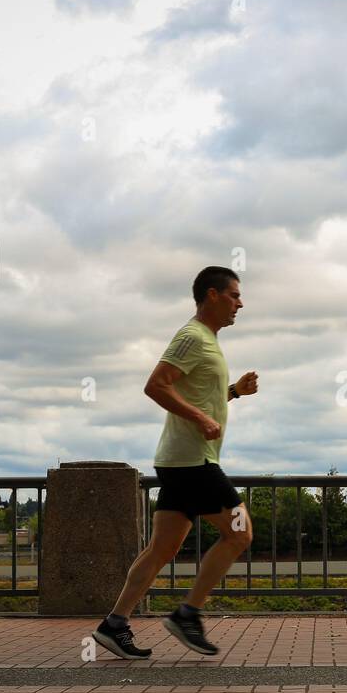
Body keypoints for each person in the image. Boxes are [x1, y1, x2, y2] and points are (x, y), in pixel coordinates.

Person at [92, 266, 257, 659]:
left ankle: (114, 625)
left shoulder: (208, 342)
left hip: (179, 460)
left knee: (161, 549)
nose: (240, 302)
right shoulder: (192, 337)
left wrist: (233, 392)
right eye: (234, 295)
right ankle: (188, 614)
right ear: (212, 295)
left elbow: (196, 395)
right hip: (192, 461)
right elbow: (155, 385)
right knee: (240, 534)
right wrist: (200, 419)